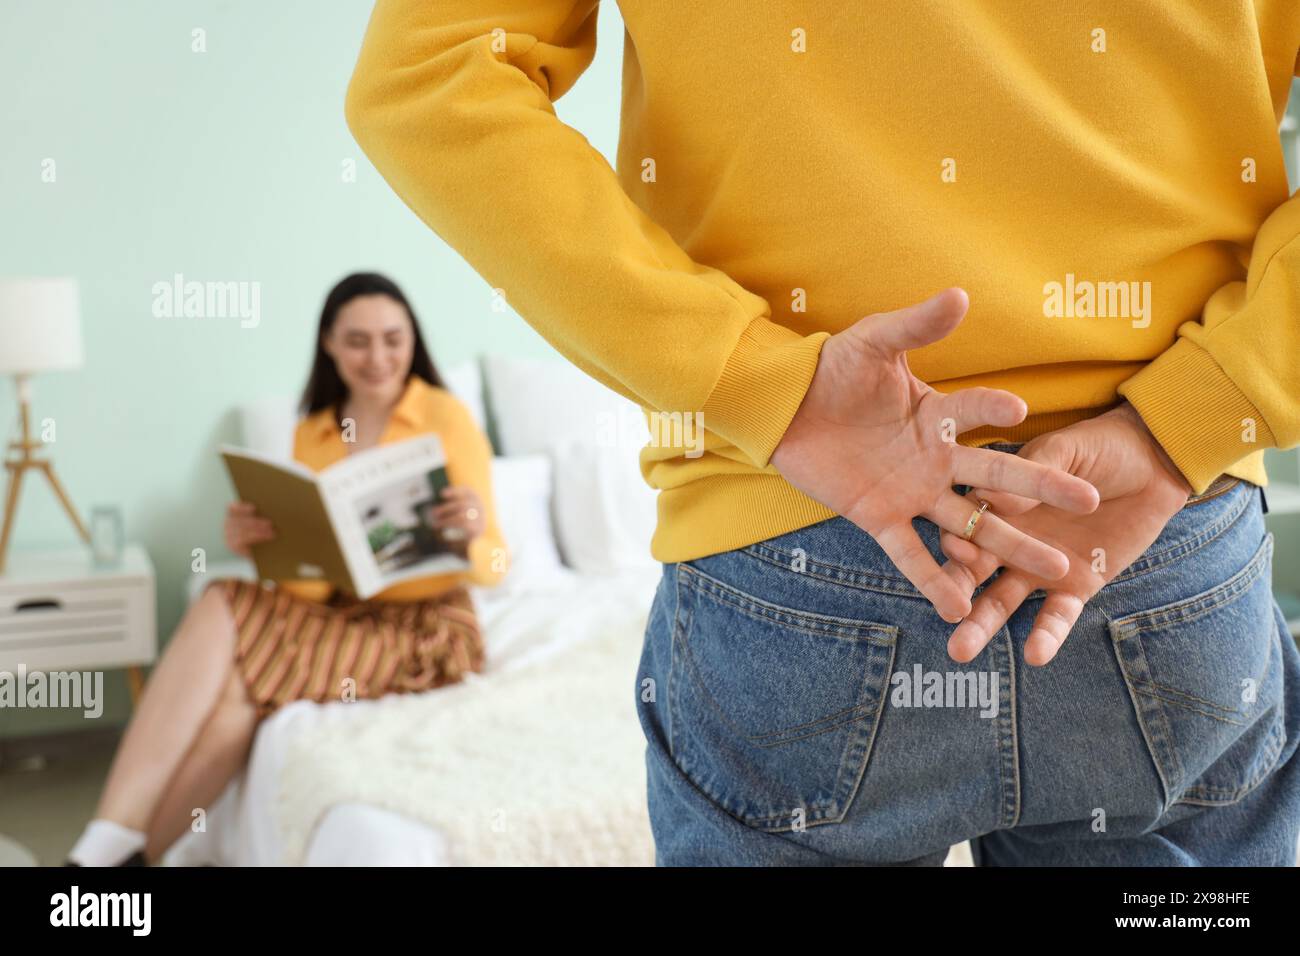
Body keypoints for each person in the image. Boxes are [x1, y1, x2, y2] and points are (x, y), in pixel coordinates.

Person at [343, 3, 1300, 864]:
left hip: (791, 547)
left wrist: (766, 385)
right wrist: (1203, 411)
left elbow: (425, 76)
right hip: (1157, 543)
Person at [66, 272, 506, 866]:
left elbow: (497, 567)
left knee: (226, 610)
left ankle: (98, 852)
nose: (377, 357)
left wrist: (473, 533)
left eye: (392, 339)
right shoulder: (313, 430)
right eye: (357, 341)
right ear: (328, 343)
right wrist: (260, 546)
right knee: (235, 696)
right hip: (340, 613)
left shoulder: (446, 415)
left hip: (427, 626)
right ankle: (129, 864)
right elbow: (309, 589)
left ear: (413, 340)